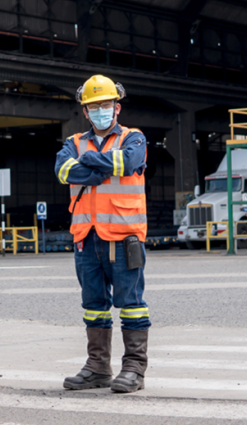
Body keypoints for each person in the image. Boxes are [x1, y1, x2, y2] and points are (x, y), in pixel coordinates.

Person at [54, 75, 150, 393]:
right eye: (94, 106)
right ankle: (97, 367)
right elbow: (64, 171)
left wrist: (92, 162)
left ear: (117, 107)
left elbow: (131, 161)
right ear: (85, 111)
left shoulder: (134, 138)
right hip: (87, 236)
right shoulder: (73, 142)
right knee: (94, 304)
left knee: (131, 302)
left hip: (124, 236)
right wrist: (107, 166)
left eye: (105, 105)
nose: (100, 111)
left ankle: (134, 368)